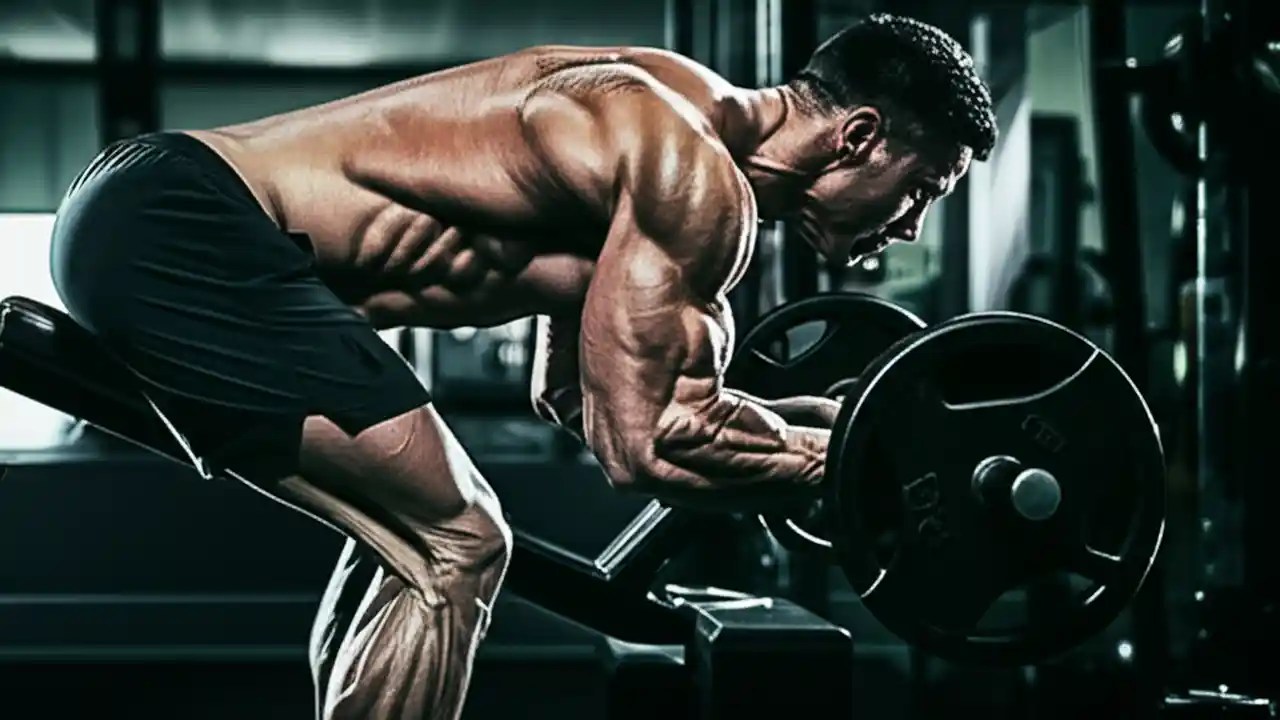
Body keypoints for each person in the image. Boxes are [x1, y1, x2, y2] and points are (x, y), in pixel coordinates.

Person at [48, 12, 995, 720]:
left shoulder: (674, 103)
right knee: (458, 545)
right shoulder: (695, 182)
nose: (908, 224)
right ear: (860, 137)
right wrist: (842, 461)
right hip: (191, 232)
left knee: (404, 537)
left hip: (150, 206)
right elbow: (646, 446)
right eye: (920, 188)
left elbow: (576, 396)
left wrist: (808, 428)